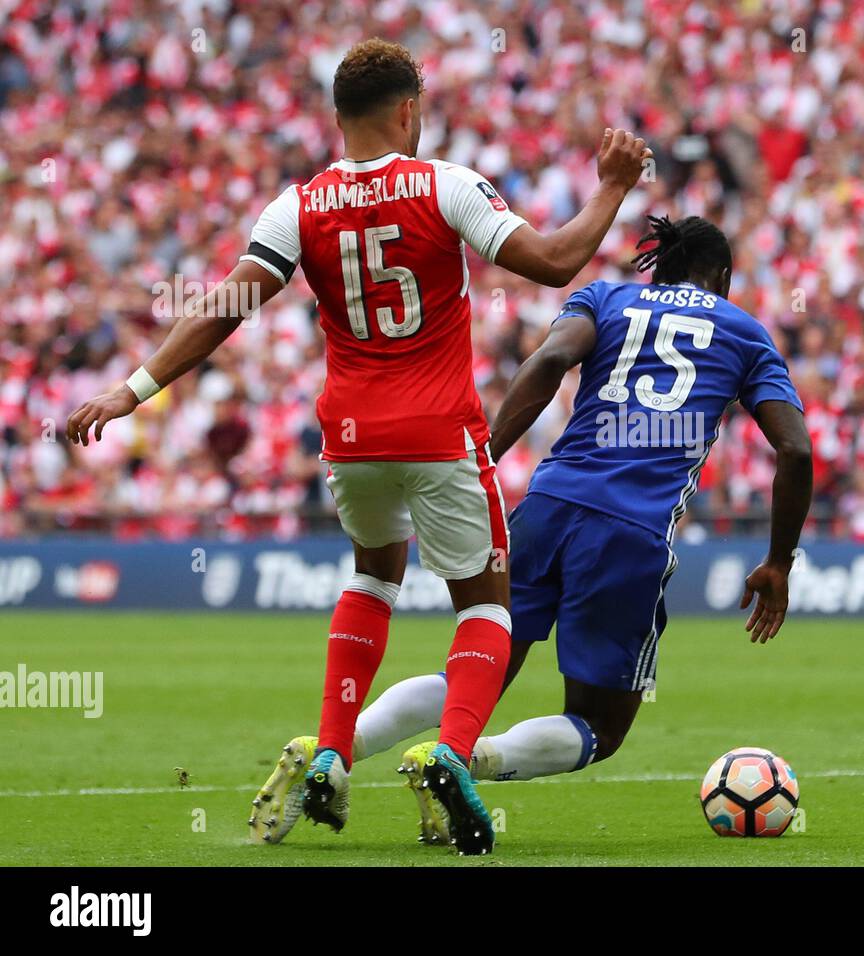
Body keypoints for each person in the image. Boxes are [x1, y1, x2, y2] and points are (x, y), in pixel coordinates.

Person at [65, 38, 652, 855]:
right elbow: (555, 261)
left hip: (348, 434)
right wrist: (614, 188)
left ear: (337, 117)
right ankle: (451, 754)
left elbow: (223, 307)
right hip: (439, 426)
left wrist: (128, 390)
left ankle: (333, 753)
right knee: (484, 605)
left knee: (373, 575)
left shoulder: (296, 205)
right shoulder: (446, 185)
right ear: (408, 110)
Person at [267, 214, 813, 848]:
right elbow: (795, 450)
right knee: (598, 726)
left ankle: (333, 746)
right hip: (631, 532)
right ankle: (462, 763)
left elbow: (553, 356)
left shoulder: (606, 296)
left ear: (656, 269)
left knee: (475, 671)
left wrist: (486, 454)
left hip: (547, 505)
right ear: (721, 276)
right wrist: (778, 561)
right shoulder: (744, 332)